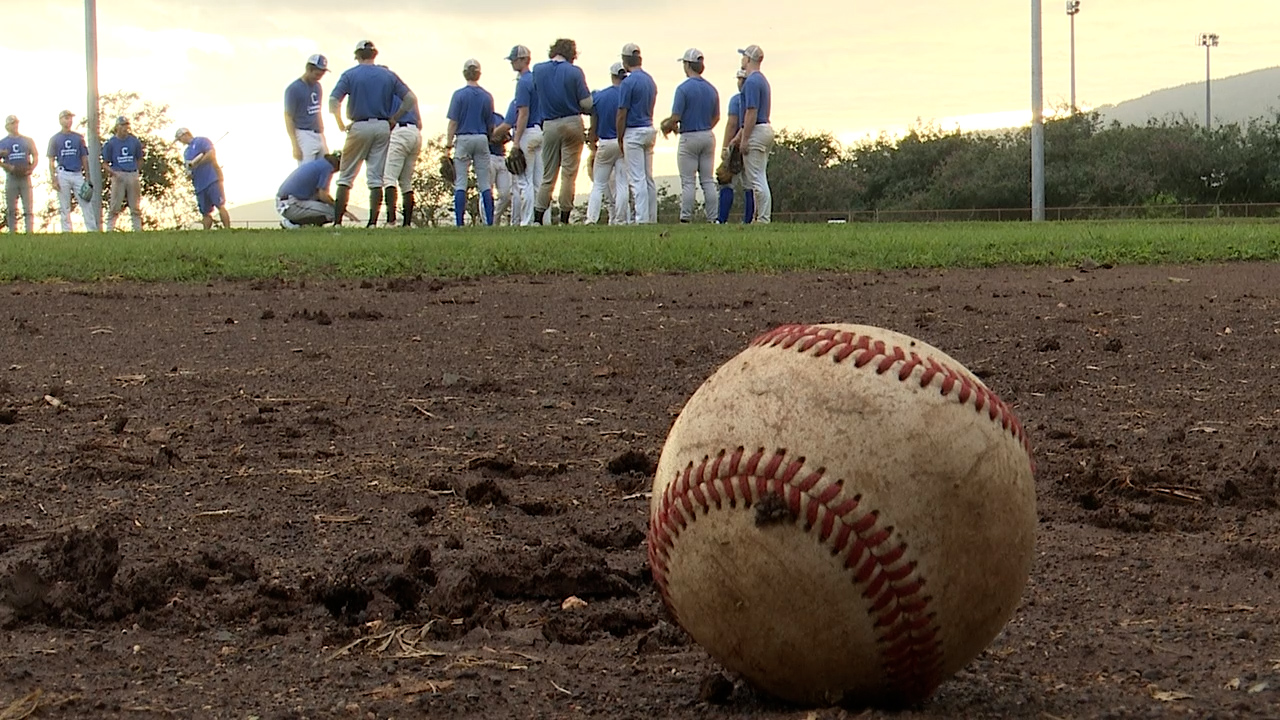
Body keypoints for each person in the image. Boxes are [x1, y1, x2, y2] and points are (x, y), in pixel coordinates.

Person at [328, 39, 417, 226]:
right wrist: (395, 117)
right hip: (382, 126)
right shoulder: (388, 75)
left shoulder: (350, 75)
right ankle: (372, 222)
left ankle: (337, 222)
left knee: (346, 175)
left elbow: (334, 100)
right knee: (376, 177)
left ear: (358, 55)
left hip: (359, 125)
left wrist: (340, 122)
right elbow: (410, 98)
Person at [531, 39, 592, 225]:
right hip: (572, 122)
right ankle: (564, 217)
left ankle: (538, 217)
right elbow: (586, 104)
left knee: (548, 173)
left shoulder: (538, 70)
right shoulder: (575, 72)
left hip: (549, 124)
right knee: (568, 174)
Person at [662, 48, 719, 223]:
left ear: (688, 65)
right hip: (707, 135)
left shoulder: (683, 89)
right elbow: (716, 117)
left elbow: (676, 117)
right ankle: (713, 218)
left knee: (688, 182)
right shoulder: (711, 89)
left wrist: (667, 126)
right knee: (708, 180)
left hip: (689, 136)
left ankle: (686, 217)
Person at [445, 58, 495, 227]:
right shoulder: (487, 96)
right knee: (485, 183)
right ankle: (489, 222)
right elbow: (490, 123)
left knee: (460, 182)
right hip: (481, 137)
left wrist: (448, 145)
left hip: (463, 138)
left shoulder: (458, 95)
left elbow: (453, 122)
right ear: (479, 74)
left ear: (465, 73)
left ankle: (459, 223)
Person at [497, 45, 543, 226]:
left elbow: (523, 113)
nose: (512, 63)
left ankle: (526, 221)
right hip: (540, 131)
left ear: (523, 60)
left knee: (524, 181)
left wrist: (515, 143)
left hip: (527, 132)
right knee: (538, 181)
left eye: (514, 60)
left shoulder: (523, 82)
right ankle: (540, 220)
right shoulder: (537, 81)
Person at [615, 43, 657, 224]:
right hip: (649, 128)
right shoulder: (650, 80)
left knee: (636, 178)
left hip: (633, 131)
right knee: (648, 178)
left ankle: (641, 219)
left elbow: (622, 113)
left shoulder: (628, 82)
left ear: (625, 60)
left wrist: (620, 137)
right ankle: (651, 217)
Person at [585, 62, 630, 226]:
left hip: (605, 142)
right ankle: (621, 219)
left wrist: (592, 140)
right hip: (622, 142)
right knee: (622, 183)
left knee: (599, 183)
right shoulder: (627, 96)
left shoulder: (600, 96)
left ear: (612, 76)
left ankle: (591, 218)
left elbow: (593, 121)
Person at [736, 44, 773, 224]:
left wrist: (744, 139)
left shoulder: (751, 81)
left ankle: (763, 218)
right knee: (760, 174)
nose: (742, 59)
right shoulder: (762, 80)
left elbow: (751, 111)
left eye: (744, 56)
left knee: (757, 178)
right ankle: (758, 216)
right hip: (765, 128)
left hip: (757, 129)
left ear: (749, 59)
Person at [46, 110, 96, 232]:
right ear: (60, 120)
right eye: (66, 118)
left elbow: (84, 157)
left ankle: (92, 229)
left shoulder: (78, 138)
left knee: (86, 202)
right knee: (64, 205)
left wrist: (87, 176)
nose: (69, 120)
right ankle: (67, 231)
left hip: (77, 173)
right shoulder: (54, 139)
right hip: (63, 173)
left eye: (70, 118)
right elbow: (51, 160)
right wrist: (54, 179)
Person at [175, 128, 231, 230]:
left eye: (180, 138)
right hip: (199, 184)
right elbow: (188, 168)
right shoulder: (186, 152)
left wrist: (197, 163)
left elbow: (211, 154)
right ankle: (206, 233)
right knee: (205, 211)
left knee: (220, 205)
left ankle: (227, 229)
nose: (180, 141)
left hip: (212, 178)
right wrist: (189, 172)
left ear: (185, 134)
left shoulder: (201, 141)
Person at [277, 152, 353, 227]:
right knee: (333, 214)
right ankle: (292, 223)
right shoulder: (327, 168)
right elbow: (322, 195)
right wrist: (339, 208)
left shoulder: (320, 163)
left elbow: (317, 195)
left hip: (286, 201)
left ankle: (308, 225)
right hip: (290, 204)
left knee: (324, 206)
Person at [381, 93, 422, 226]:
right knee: (406, 181)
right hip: (415, 133)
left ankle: (391, 221)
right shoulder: (408, 94)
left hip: (400, 131)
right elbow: (420, 123)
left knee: (389, 178)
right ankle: (407, 223)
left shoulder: (386, 94)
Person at [284, 54, 329, 165]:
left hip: (318, 133)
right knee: (306, 170)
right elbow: (288, 116)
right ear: (309, 69)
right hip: (303, 133)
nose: (319, 77)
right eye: (317, 74)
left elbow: (318, 110)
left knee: (325, 166)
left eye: (322, 74)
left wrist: (322, 133)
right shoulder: (294, 89)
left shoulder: (317, 86)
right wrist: (295, 144)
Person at [101, 115, 144, 232]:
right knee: (115, 205)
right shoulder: (110, 143)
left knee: (135, 205)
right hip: (118, 174)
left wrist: (136, 172)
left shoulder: (134, 141)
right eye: (122, 125)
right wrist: (114, 173)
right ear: (117, 127)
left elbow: (140, 158)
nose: (125, 128)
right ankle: (109, 230)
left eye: (126, 125)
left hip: (132, 174)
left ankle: (137, 229)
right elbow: (104, 163)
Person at [717, 68, 748, 224]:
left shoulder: (737, 99)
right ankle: (749, 219)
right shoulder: (757, 98)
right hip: (752, 141)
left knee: (727, 182)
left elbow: (732, 124)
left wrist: (724, 148)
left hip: (736, 144)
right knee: (750, 183)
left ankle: (722, 219)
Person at [1, 115, 37, 233]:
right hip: (11, 176)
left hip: (25, 176)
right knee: (11, 207)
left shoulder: (27, 140)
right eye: (12, 123)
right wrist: (7, 167)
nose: (15, 125)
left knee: (28, 206)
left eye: (16, 123)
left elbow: (35, 154)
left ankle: (29, 232)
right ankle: (12, 232)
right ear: (7, 126)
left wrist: (32, 167)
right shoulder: (3, 142)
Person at [489, 106, 513, 225]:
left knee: (506, 194)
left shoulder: (499, 117)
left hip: (500, 155)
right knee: (487, 191)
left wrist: (500, 136)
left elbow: (508, 135)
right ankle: (487, 222)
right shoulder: (481, 117)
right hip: (488, 155)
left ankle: (494, 218)